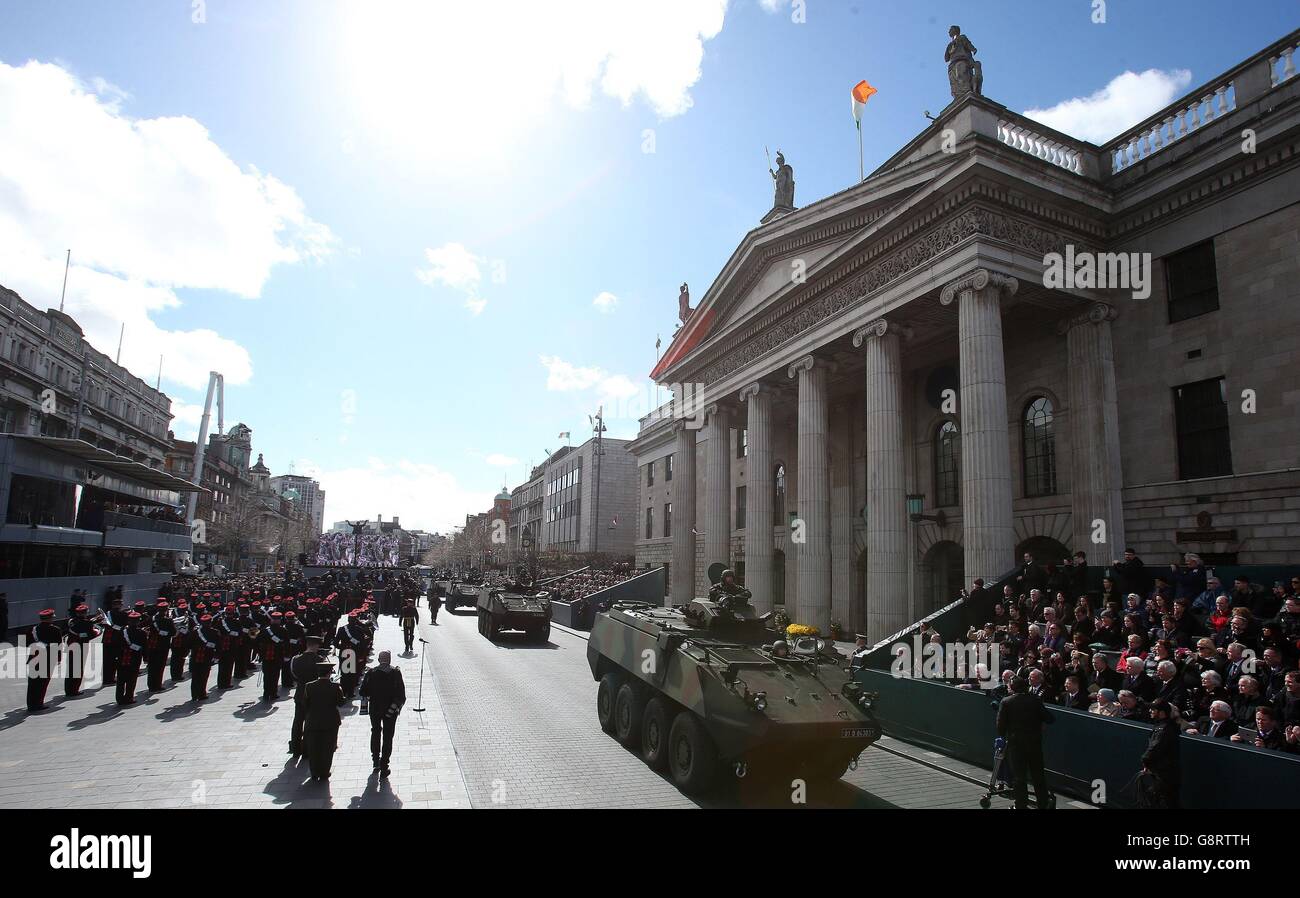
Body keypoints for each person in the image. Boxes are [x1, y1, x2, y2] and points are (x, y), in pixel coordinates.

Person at [996, 676, 1054, 809]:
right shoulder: (1035, 700)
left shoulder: (1006, 702)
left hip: (1016, 744)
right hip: (1034, 743)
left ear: (1012, 687)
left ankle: (1020, 805)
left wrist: (1005, 735)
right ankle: (1043, 804)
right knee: (1038, 776)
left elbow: (1000, 726)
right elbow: (1049, 718)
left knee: (1019, 777)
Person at [359, 650, 406, 776]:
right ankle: (385, 765)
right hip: (390, 709)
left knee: (375, 732)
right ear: (389, 660)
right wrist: (395, 706)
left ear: (379, 660)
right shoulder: (395, 672)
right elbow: (401, 694)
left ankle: (375, 761)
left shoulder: (371, 672)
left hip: (375, 709)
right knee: (388, 736)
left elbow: (362, 692)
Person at [299, 661, 344, 782]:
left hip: (313, 721)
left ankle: (314, 772)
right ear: (330, 673)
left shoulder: (309, 686)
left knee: (314, 747)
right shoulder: (335, 686)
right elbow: (341, 703)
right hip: (330, 721)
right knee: (328, 748)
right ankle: (324, 771)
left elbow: (305, 704)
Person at [1140, 699, 1181, 808]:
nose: (1150, 711)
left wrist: (1145, 760)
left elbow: (1155, 747)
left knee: (1164, 800)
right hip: (1162, 771)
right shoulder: (1164, 726)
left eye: (1153, 709)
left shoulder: (1165, 729)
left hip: (1165, 772)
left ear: (1162, 712)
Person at [289, 635, 324, 756]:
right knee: (311, 722)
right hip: (314, 694)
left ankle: (295, 748)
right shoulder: (320, 660)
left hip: (300, 692)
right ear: (316, 646)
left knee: (298, 721)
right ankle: (307, 749)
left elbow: (293, 675)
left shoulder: (295, 659)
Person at [27, 609, 61, 713]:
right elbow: (57, 646)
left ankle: (31, 704)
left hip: (34, 657)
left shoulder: (33, 629)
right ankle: (38, 703)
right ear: (50, 618)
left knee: (32, 682)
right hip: (48, 657)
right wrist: (58, 658)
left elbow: (27, 643)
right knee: (43, 682)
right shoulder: (55, 629)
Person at [63, 604, 100, 696]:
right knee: (78, 669)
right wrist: (98, 631)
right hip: (81, 646)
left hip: (71, 646)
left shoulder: (71, 621)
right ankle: (74, 690)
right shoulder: (87, 623)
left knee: (70, 668)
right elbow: (88, 635)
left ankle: (68, 689)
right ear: (85, 612)